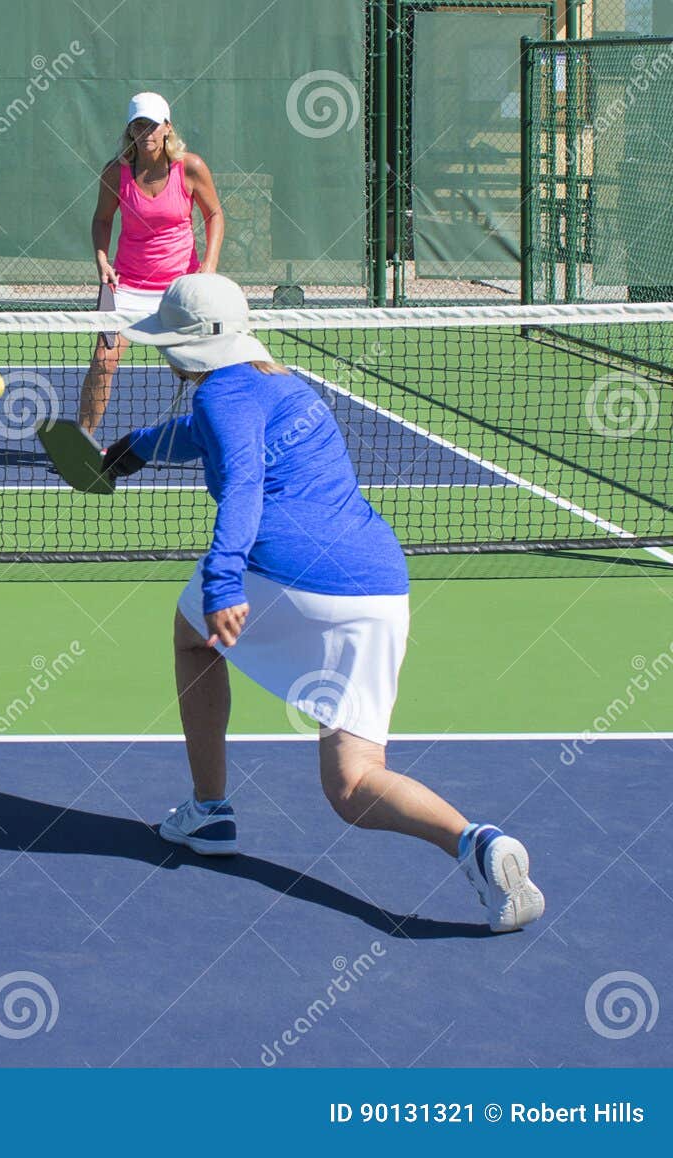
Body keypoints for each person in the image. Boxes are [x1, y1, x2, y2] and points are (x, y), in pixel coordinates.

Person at [102, 273, 545, 933]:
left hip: (290, 572)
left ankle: (209, 808)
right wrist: (134, 449)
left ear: (188, 347)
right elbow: (203, 436)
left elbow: (244, 479)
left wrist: (223, 582)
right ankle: (476, 843)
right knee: (354, 785)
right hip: (379, 587)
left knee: (192, 634)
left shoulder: (221, 395)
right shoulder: (284, 388)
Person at [80, 92, 223, 438]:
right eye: (138, 125)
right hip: (127, 287)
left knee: (210, 368)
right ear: (130, 130)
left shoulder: (191, 167)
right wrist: (102, 260)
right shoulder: (116, 173)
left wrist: (209, 265)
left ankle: (223, 435)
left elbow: (215, 214)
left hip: (180, 289)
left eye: (152, 125)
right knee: (103, 361)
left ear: (167, 128)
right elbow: (102, 221)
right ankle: (82, 443)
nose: (145, 133)